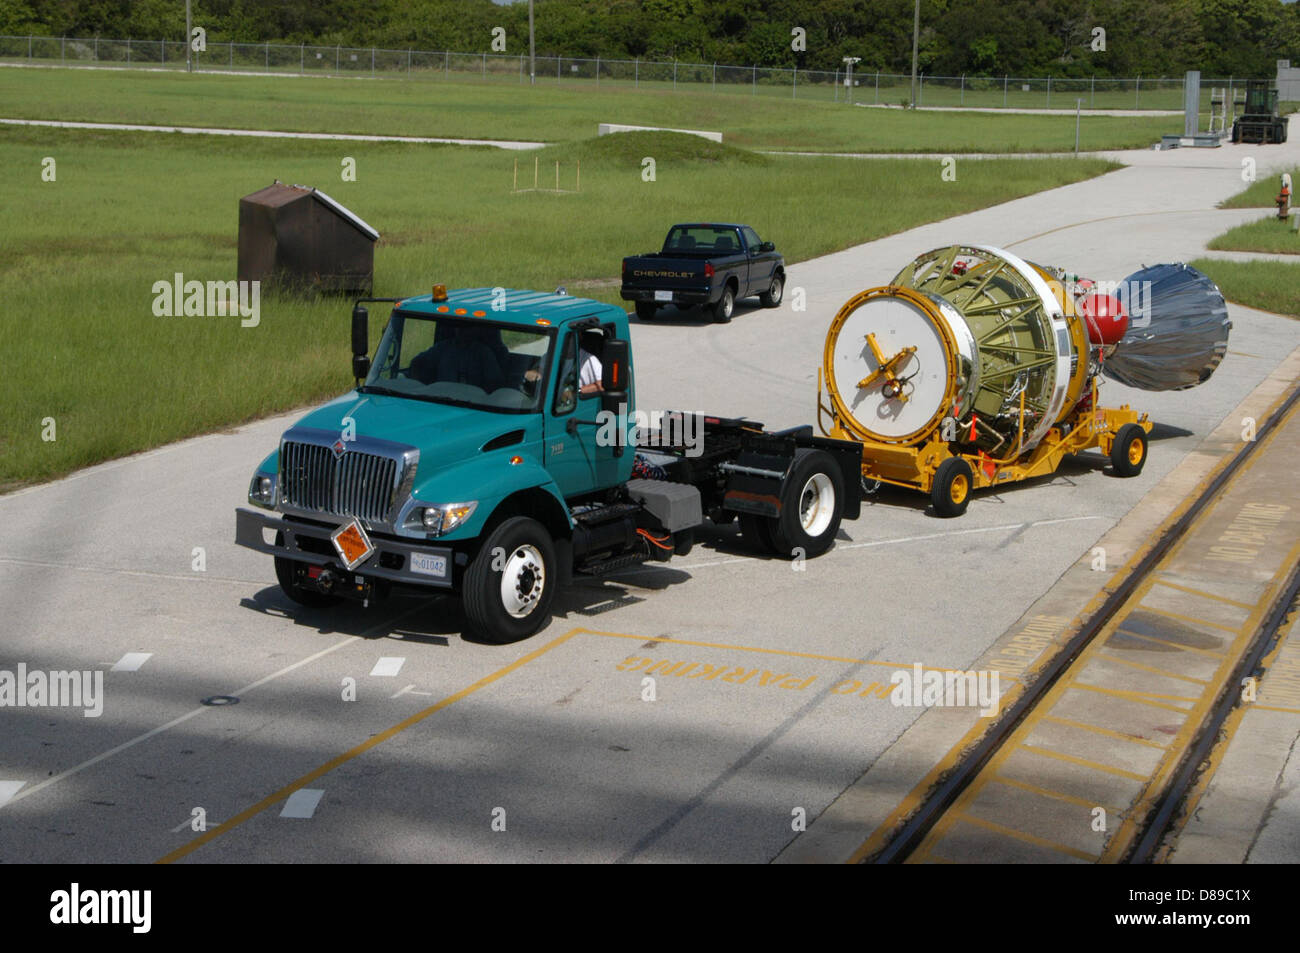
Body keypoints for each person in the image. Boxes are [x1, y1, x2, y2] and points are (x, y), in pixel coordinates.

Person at [410, 325, 504, 391]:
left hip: (472, 402)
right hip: (440, 399)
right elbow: (417, 362)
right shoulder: (442, 348)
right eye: (459, 326)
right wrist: (419, 388)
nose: (462, 330)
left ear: (475, 329)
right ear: (455, 328)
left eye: (466, 327)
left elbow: (494, 382)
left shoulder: (484, 353)